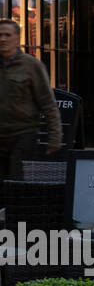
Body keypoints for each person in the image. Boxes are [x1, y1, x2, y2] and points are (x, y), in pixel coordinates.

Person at [0, 19, 61, 181]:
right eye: (0, 35)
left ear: (17, 38)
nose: (3, 39)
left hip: (22, 134)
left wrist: (55, 137)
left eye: (7, 35)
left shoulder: (31, 66)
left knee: (15, 181)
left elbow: (48, 103)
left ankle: (14, 207)